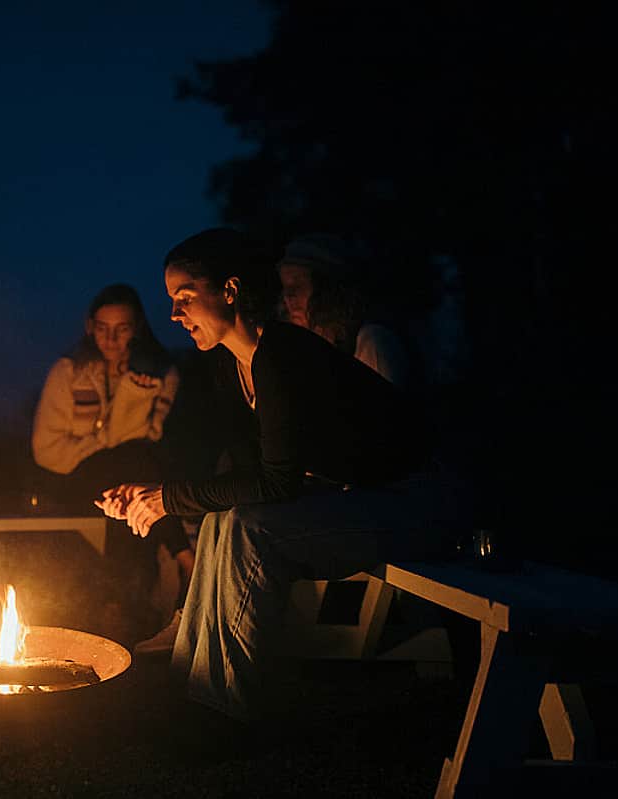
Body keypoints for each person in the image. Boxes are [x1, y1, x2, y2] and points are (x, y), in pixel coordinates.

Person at [96, 228, 473, 722]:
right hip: (369, 498)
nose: (174, 314)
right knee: (222, 521)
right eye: (171, 301)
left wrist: (168, 499)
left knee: (252, 528)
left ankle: (226, 709)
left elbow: (278, 483)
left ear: (229, 292)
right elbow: (252, 474)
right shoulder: (236, 368)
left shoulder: (283, 353)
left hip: (417, 499)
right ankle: (190, 689)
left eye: (185, 297)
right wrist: (155, 494)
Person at [32, 283, 194, 645]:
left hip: (127, 481)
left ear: (136, 328)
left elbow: (146, 442)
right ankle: (181, 557)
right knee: (132, 468)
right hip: (71, 480)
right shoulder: (70, 371)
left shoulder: (159, 375)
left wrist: (135, 393)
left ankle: (118, 612)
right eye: (102, 328)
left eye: (121, 329)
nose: (111, 338)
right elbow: (47, 452)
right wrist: (102, 444)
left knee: (127, 490)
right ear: (90, 327)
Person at [275, 233, 412, 386]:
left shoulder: (373, 345)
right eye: (285, 287)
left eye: (297, 284)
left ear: (327, 290)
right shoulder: (309, 356)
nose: (289, 296)